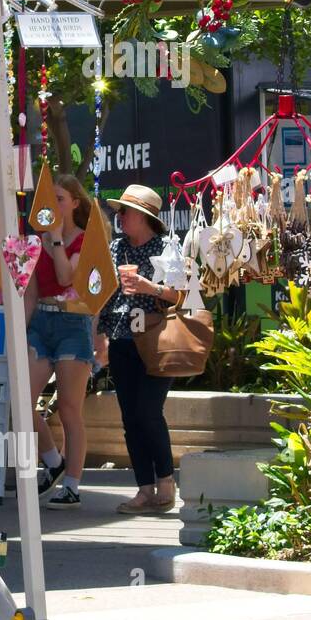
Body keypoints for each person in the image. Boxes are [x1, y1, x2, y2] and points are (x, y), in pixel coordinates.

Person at [97, 184, 184, 514]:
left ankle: (165, 480)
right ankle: (144, 489)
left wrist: (149, 287)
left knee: (149, 411)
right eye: (118, 212)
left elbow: (182, 296)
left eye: (126, 212)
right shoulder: (115, 249)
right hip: (121, 338)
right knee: (131, 417)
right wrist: (99, 334)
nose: (120, 217)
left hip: (157, 340)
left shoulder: (166, 248)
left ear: (145, 217)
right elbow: (103, 293)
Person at [27, 175, 95, 509]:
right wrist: (21, 332)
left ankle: (72, 483)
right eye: (50, 200)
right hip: (41, 321)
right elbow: (31, 290)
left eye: (61, 199)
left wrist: (55, 240)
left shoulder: (83, 239)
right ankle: (53, 460)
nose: (54, 205)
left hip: (72, 321)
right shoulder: (37, 240)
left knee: (70, 407)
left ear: (75, 203)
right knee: (22, 402)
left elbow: (67, 276)